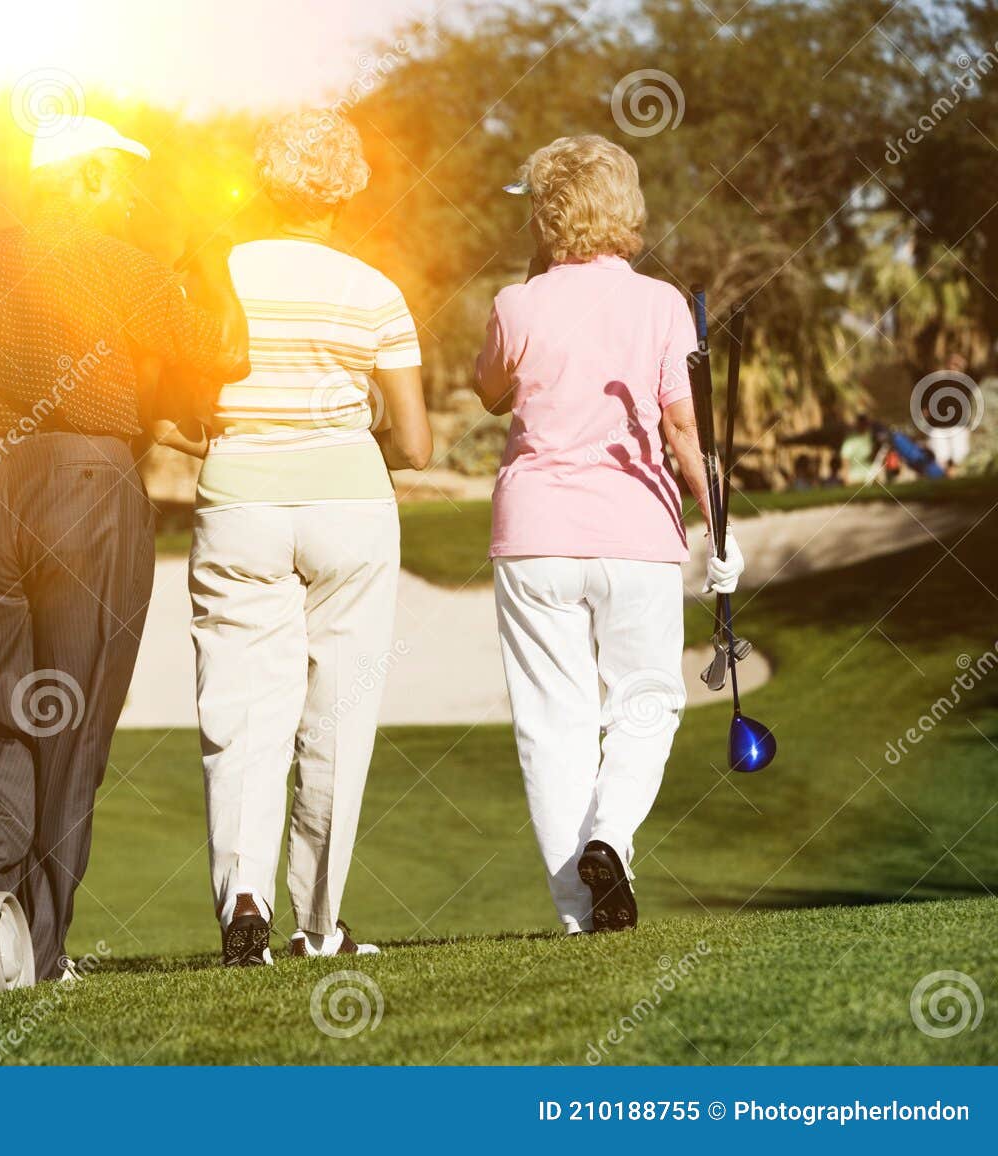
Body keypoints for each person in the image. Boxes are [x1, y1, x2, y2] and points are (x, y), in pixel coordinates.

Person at [0, 115, 250, 981]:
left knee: (9, 713)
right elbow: (228, 353)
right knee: (73, 722)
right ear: (86, 177)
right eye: (120, 178)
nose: (129, 196)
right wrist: (217, 262)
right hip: (86, 489)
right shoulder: (123, 265)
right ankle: (41, 950)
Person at [166, 110, 431, 966]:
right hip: (350, 507)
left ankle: (243, 899)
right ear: (347, 189)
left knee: (242, 711)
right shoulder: (374, 290)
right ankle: (318, 925)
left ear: (263, 179)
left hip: (238, 503)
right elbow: (417, 445)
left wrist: (237, 433)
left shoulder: (215, 277)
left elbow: (174, 417)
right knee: (337, 718)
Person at [474, 135, 743, 935]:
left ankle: (578, 913)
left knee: (551, 724)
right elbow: (683, 428)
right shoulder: (660, 303)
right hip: (637, 531)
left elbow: (490, 390)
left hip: (535, 536)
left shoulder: (516, 303)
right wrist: (720, 528)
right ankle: (610, 839)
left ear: (545, 215)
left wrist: (536, 282)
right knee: (645, 701)